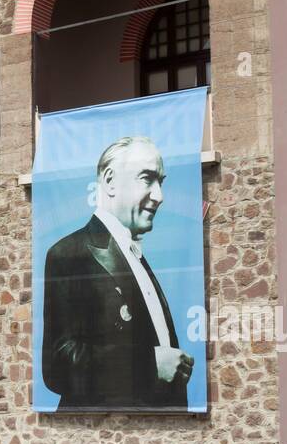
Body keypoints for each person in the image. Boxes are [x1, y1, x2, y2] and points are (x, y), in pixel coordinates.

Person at [41, 135, 194, 411]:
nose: (160, 196)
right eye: (147, 179)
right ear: (110, 181)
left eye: (161, 182)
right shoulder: (68, 253)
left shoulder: (134, 253)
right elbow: (58, 366)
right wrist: (149, 365)